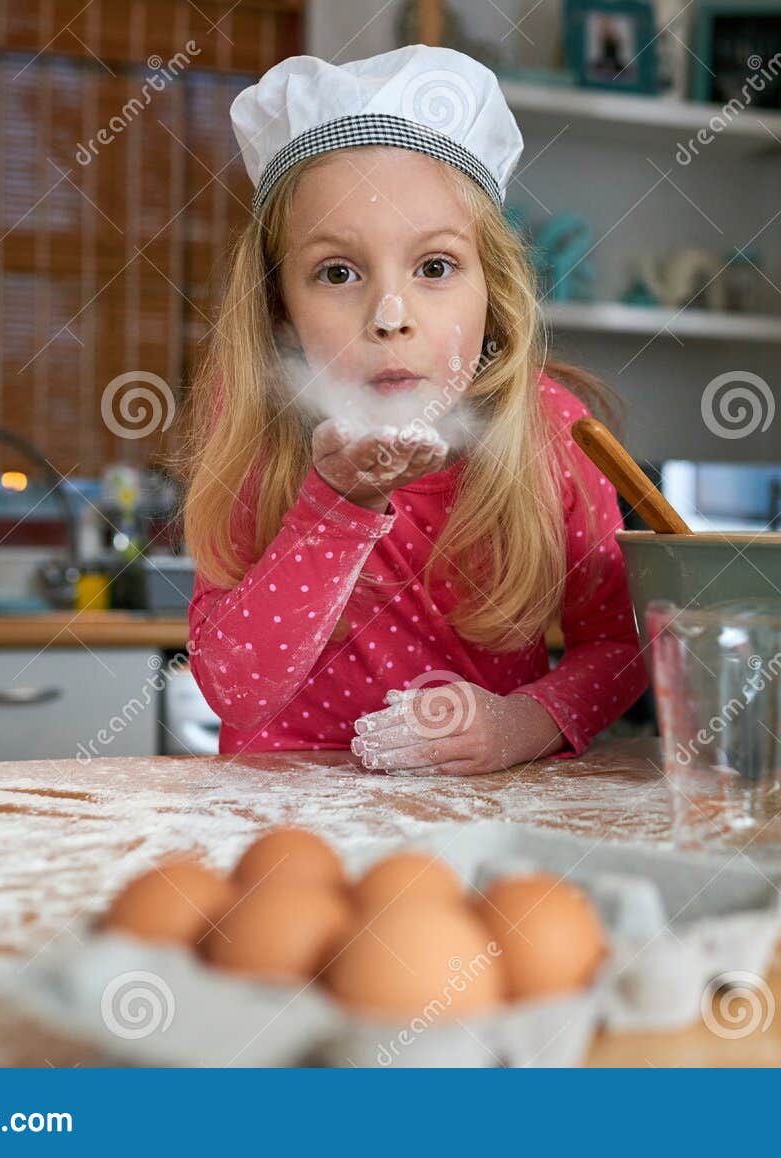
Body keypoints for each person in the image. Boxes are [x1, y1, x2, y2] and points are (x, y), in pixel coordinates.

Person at [178, 46, 648, 774]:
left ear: (491, 292)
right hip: (281, 829)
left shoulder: (548, 429)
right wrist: (338, 504)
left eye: (434, 268)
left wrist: (518, 724)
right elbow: (234, 690)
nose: (389, 316)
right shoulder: (255, 429)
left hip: (485, 829)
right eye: (338, 272)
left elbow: (625, 644)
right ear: (281, 311)